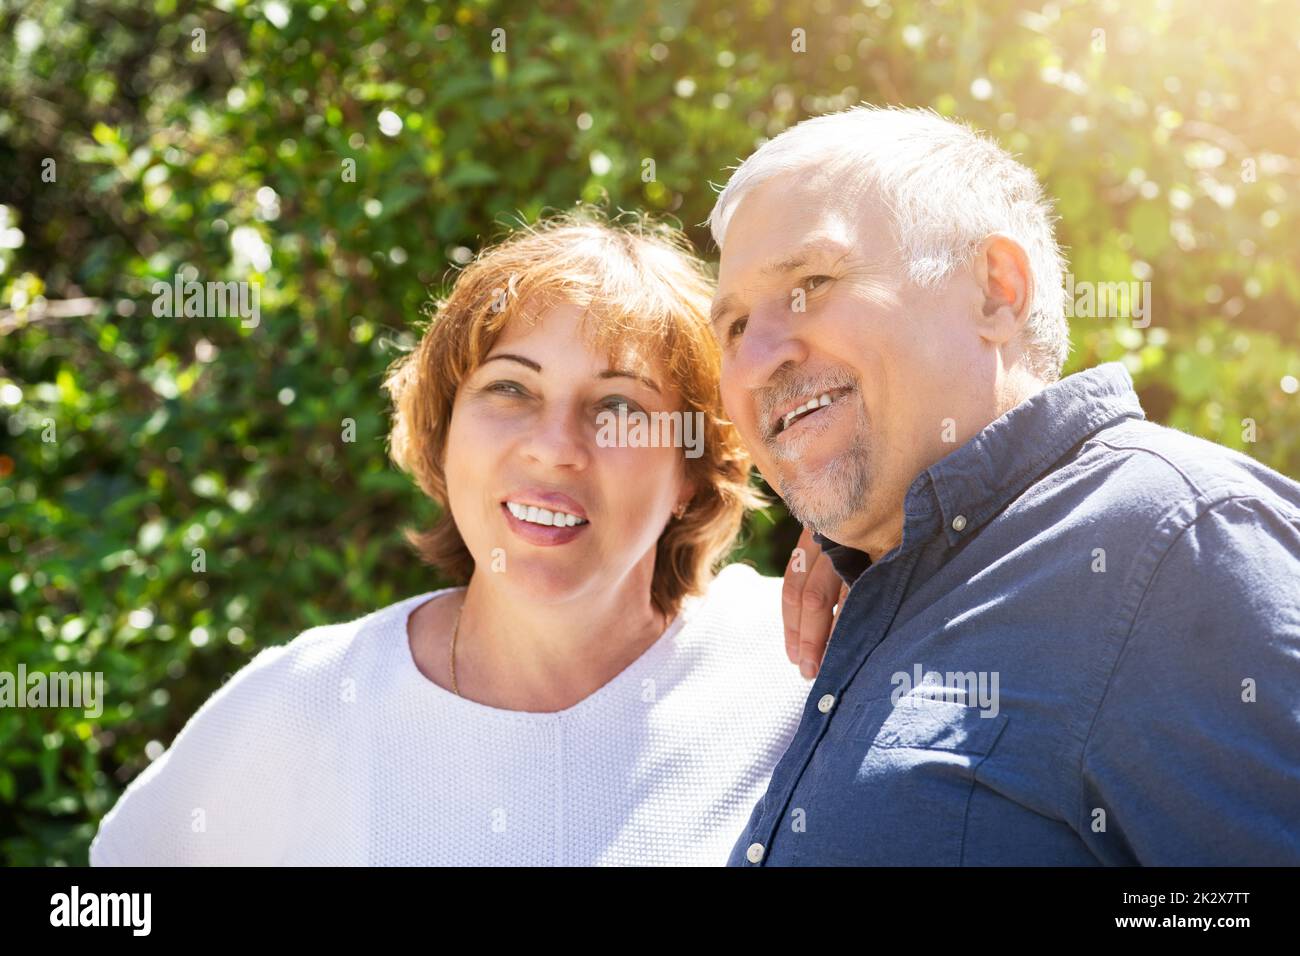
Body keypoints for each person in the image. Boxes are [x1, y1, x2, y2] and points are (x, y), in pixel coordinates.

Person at [90, 212, 814, 866]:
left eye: (618, 405)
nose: (554, 447)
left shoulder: (800, 667)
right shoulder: (310, 699)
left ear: (694, 470)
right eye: (511, 389)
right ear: (442, 436)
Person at [712, 105, 1300, 865]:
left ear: (997, 291)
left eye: (812, 282)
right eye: (731, 327)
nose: (757, 358)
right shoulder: (886, 589)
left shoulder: (1180, 543)